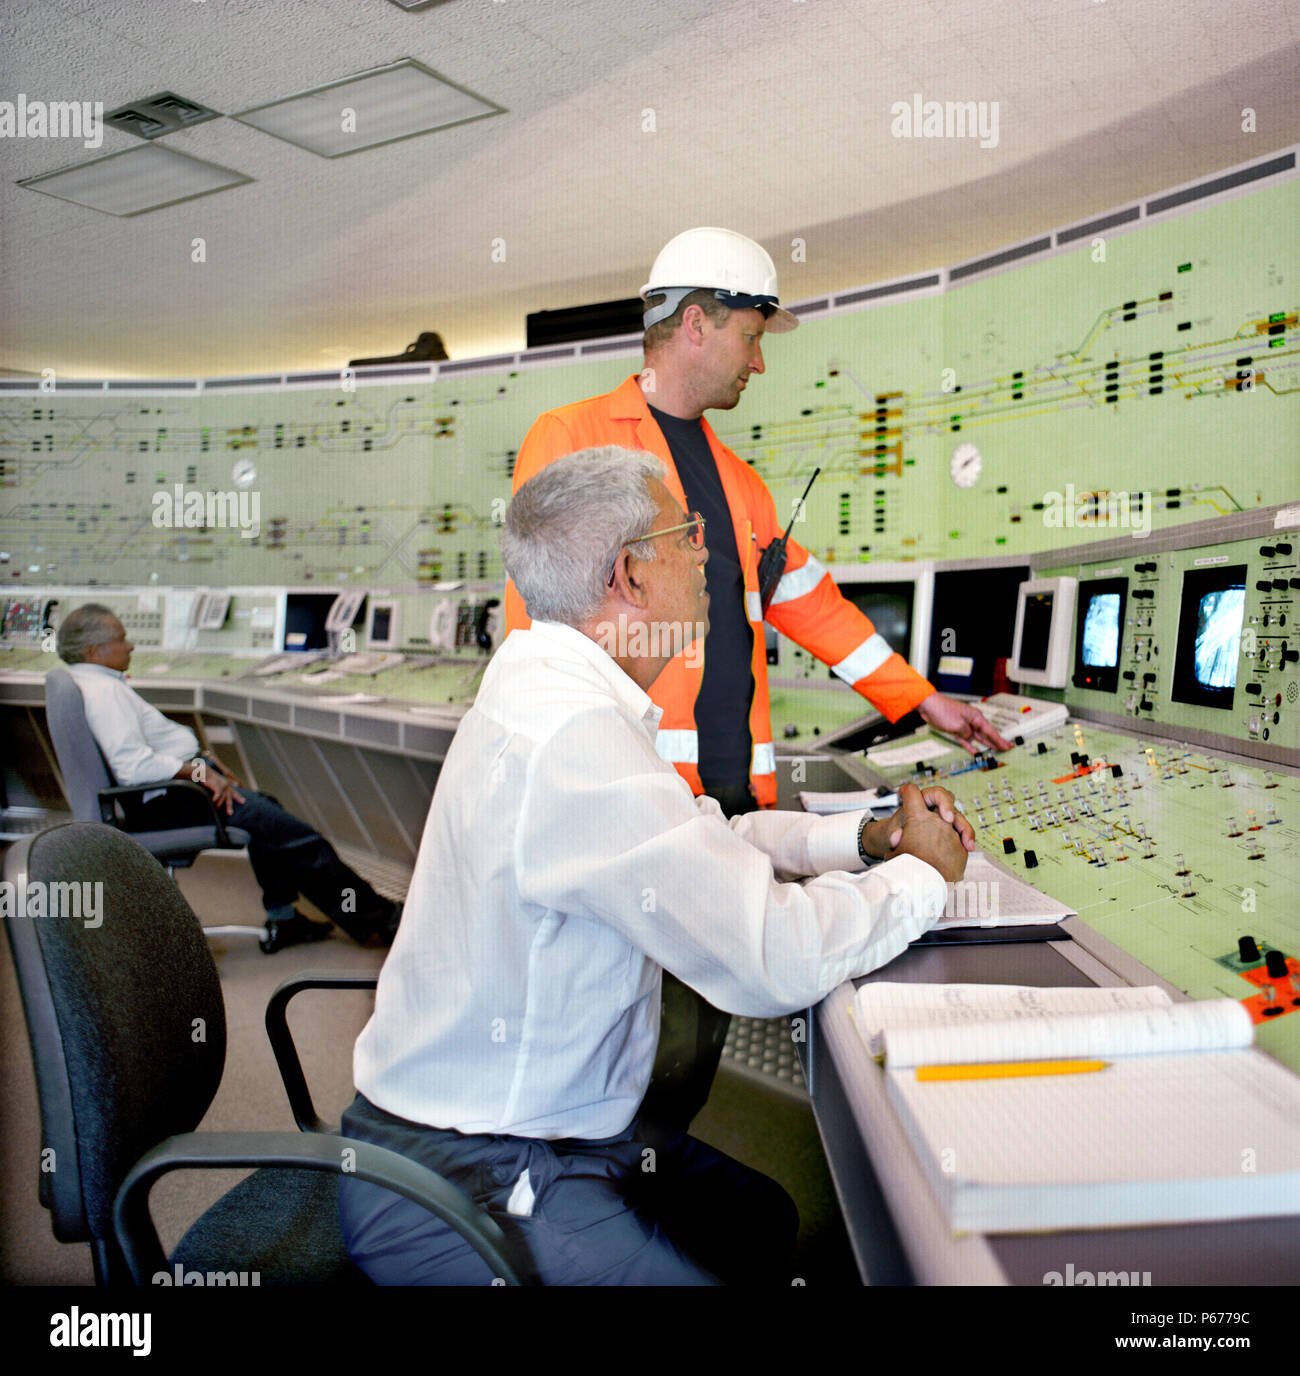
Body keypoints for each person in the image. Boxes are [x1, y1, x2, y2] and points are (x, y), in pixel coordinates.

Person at [338, 446, 973, 1284]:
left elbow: (699, 840)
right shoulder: (575, 737)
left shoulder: (563, 688)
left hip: (552, 1132)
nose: (711, 553)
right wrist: (923, 877)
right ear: (630, 578)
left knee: (759, 1219)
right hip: (471, 1172)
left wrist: (862, 842)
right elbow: (769, 959)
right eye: (691, 532)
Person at [505, 227, 1010, 1124]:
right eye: (754, 335)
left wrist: (919, 697)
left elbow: (807, 600)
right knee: (616, 1042)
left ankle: (629, 1185)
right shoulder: (573, 439)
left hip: (728, 803)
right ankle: (586, 1197)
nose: (760, 363)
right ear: (695, 323)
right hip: (628, 798)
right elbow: (550, 632)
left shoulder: (740, 484)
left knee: (689, 1042)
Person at [54, 604, 402, 951]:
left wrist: (204, 763)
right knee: (300, 839)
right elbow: (133, 767)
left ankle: (284, 918)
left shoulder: (93, 684)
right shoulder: (106, 693)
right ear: (92, 651)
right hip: (173, 800)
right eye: (122, 638)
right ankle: (379, 920)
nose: (130, 646)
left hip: (173, 793)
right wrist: (201, 771)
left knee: (269, 813)